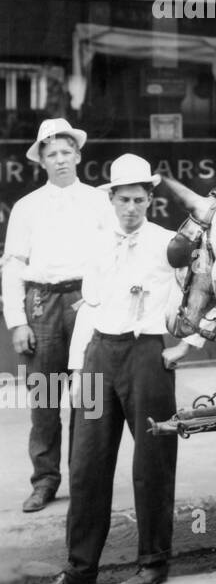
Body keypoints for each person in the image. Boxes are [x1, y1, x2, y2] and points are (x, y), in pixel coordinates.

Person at [33, 154, 188, 584]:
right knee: (86, 464)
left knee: (152, 463)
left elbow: (206, 295)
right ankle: (80, 568)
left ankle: (153, 561)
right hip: (101, 352)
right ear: (111, 200)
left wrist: (185, 346)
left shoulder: (169, 243)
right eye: (123, 199)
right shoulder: (97, 245)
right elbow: (90, 306)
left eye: (139, 199)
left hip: (146, 356)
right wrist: (80, 367)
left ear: (150, 201)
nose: (131, 208)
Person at [2, 118, 113, 512]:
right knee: (45, 399)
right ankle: (45, 480)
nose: (61, 160)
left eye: (67, 152)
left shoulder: (101, 201)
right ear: (42, 161)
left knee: (90, 396)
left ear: (78, 156)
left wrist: (103, 302)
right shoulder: (28, 207)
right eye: (52, 154)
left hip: (86, 302)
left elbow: (112, 255)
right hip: (43, 306)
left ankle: (85, 479)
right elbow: (12, 263)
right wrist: (17, 321)